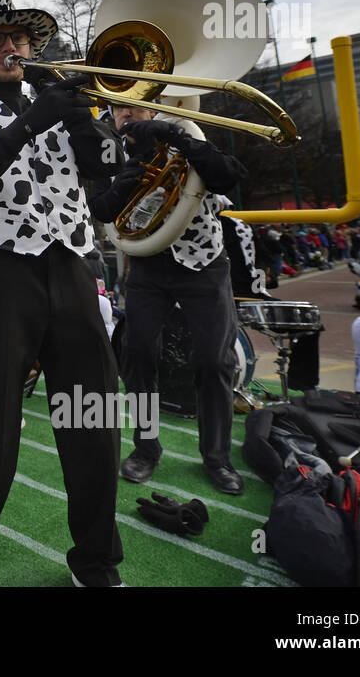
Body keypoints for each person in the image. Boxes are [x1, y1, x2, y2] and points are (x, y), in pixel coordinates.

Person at [0, 0, 125, 587]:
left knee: (93, 420)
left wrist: (79, 115)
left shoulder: (64, 102)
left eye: (18, 39)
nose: (9, 48)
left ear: (33, 48)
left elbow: (107, 167)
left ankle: (96, 562)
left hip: (70, 268)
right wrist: (29, 122)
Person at [90, 103, 247, 495]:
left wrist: (177, 138)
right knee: (138, 353)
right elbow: (101, 208)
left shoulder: (185, 134)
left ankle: (217, 456)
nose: (124, 114)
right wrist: (126, 178)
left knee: (215, 359)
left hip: (203, 261)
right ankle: (146, 449)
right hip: (147, 263)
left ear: (151, 107)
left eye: (133, 106)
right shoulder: (111, 150)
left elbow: (229, 176)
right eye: (118, 109)